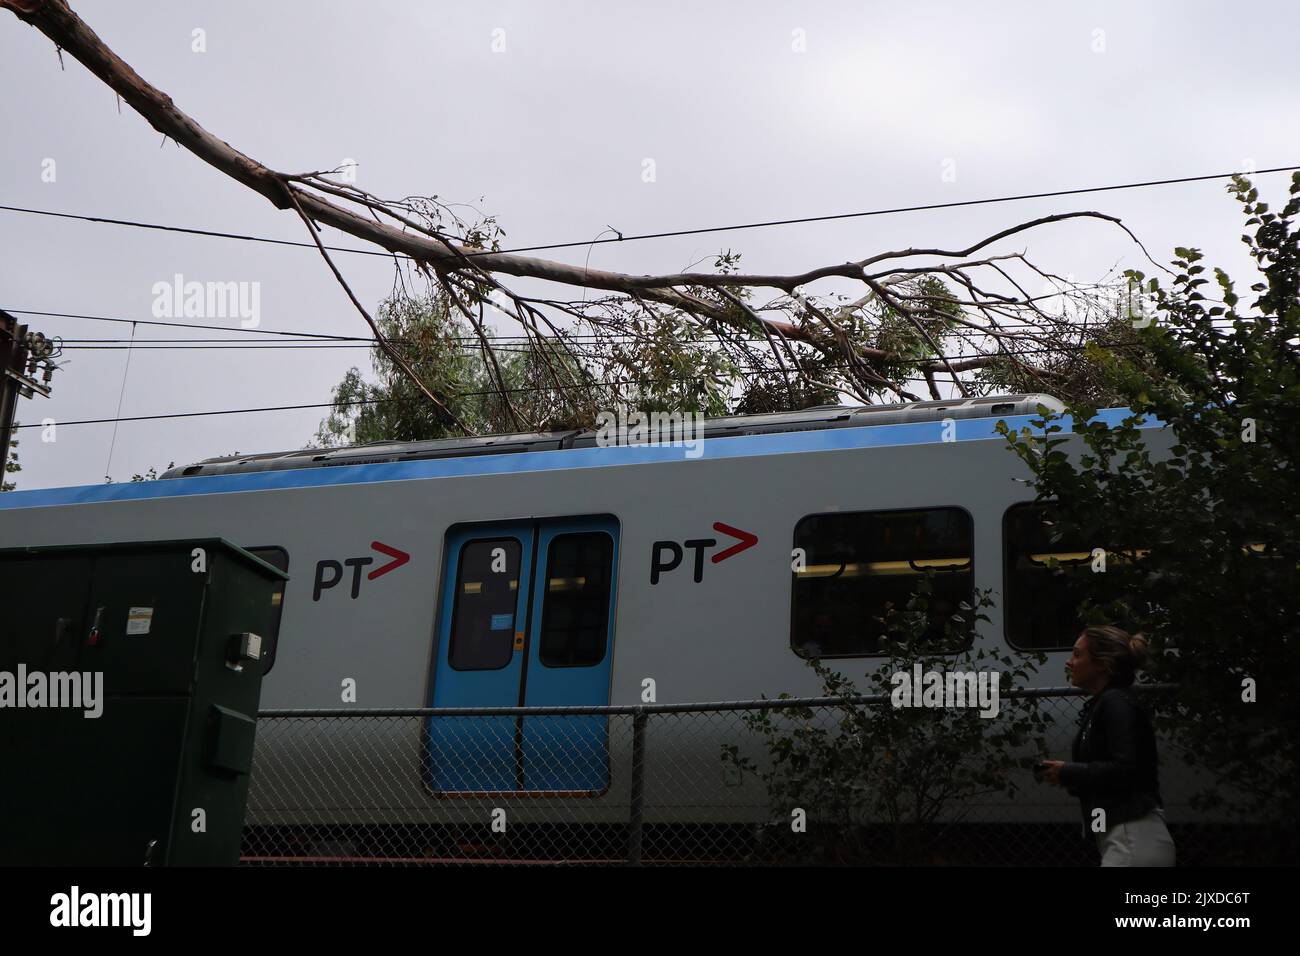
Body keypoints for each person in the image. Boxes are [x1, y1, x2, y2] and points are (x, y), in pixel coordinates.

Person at [1036, 625, 1176, 866]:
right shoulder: (1106, 703)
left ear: (1102, 664)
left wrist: (1069, 772)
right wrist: (1066, 775)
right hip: (1124, 837)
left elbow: (1127, 769)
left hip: (1132, 838)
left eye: (1077, 654)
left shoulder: (1116, 704)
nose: (1069, 662)